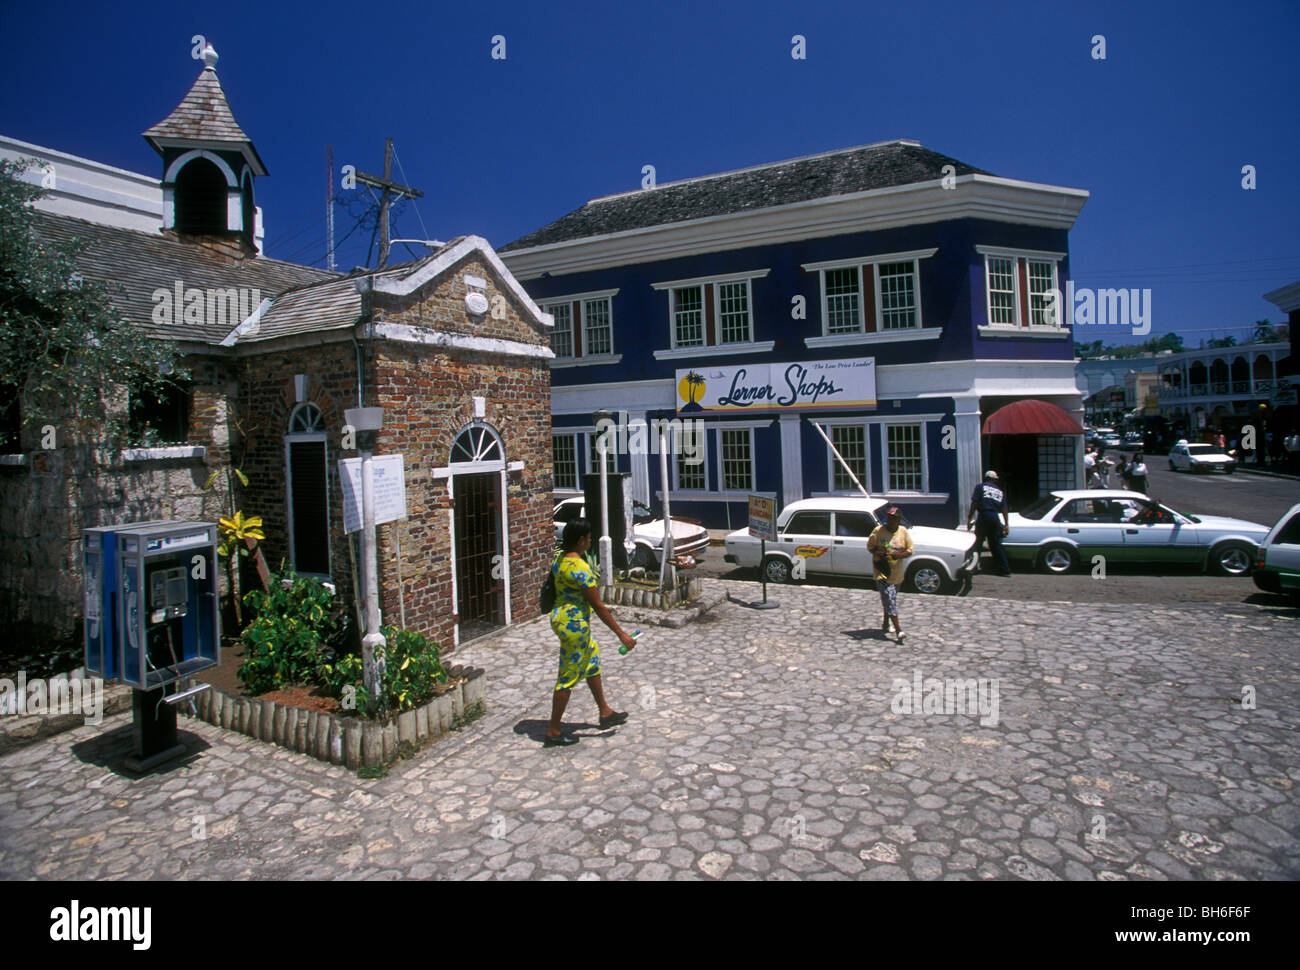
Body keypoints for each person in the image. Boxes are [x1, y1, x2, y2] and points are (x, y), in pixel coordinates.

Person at [544, 518, 637, 747]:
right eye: (588, 537)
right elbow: (598, 605)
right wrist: (621, 634)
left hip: (561, 618)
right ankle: (553, 730)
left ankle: (605, 712)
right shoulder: (582, 569)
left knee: (592, 661)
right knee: (568, 676)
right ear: (580, 540)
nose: (590, 541)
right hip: (574, 626)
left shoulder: (560, 560)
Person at [867, 505, 913, 642]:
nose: (890, 521)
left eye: (893, 518)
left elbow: (910, 550)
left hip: (897, 573)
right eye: (888, 518)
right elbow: (870, 547)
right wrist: (879, 552)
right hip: (882, 572)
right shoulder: (878, 531)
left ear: (898, 520)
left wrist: (897, 555)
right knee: (890, 600)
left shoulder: (903, 532)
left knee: (889, 600)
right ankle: (899, 630)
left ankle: (886, 623)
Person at [967, 471, 1011, 576]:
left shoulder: (980, 487)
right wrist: (1006, 524)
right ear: (993, 479)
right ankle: (1004, 569)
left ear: (985, 478)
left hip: (983, 516)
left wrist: (970, 517)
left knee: (977, 544)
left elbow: (975, 502)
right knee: (996, 545)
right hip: (995, 518)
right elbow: (1004, 508)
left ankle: (975, 567)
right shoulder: (999, 491)